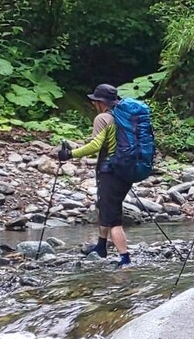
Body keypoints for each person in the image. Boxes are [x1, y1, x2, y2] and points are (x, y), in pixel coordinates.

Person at [57, 83, 151, 266]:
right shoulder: (124, 118)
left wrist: (69, 155)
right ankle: (101, 246)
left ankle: (125, 259)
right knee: (105, 207)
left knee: (113, 217)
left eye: (95, 102)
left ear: (101, 102)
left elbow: (95, 146)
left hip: (111, 172)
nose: (93, 105)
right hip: (126, 170)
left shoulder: (103, 118)